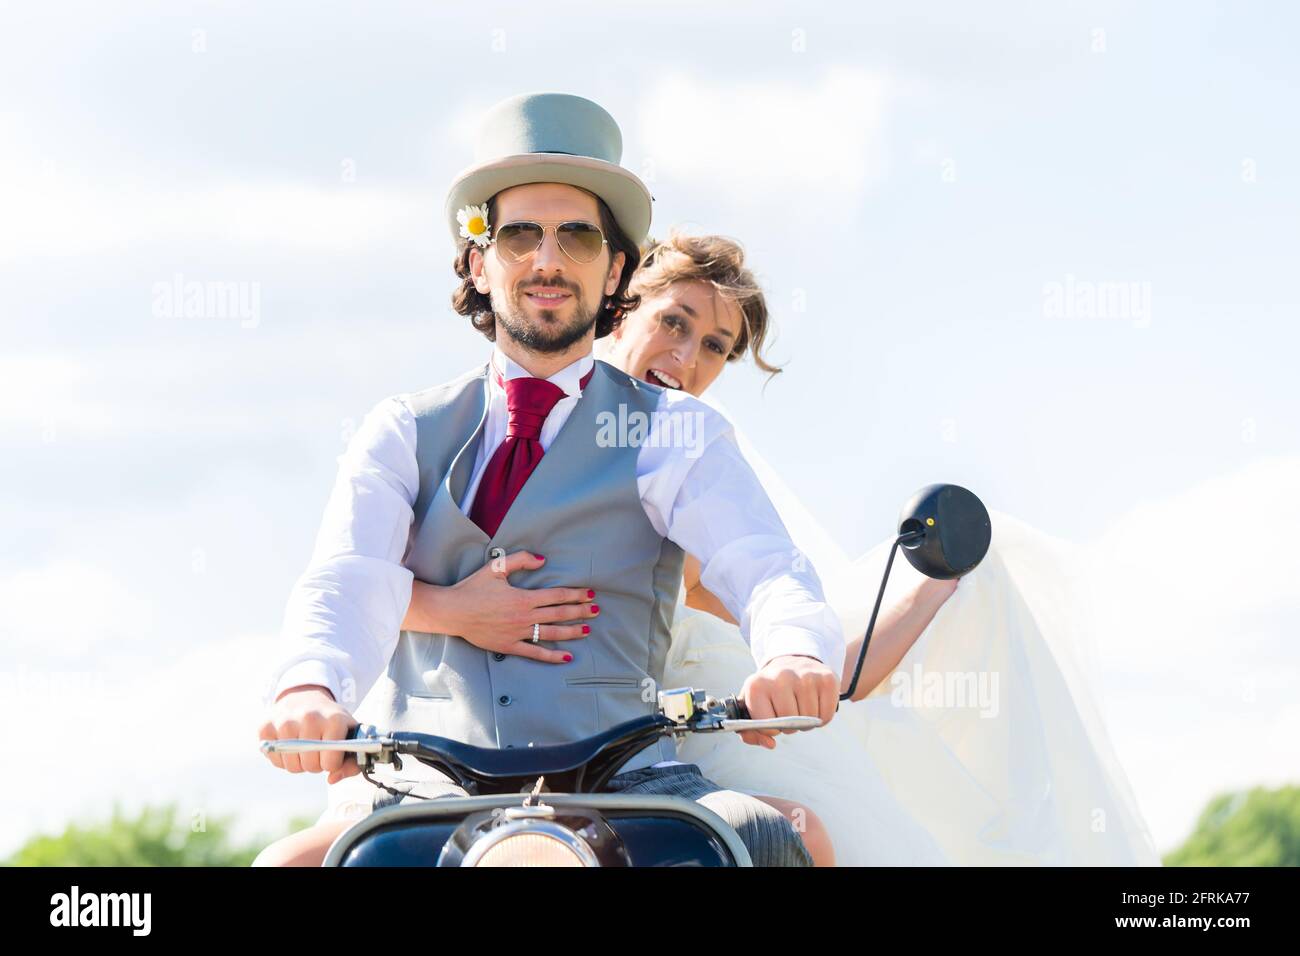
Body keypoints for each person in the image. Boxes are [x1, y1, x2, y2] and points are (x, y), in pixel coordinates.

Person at [394, 228, 1162, 866]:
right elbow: (361, 585)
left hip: (636, 763)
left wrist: (930, 585)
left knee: (796, 835)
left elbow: (808, 634)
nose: (688, 356)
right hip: (463, 755)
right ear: (620, 308)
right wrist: (456, 612)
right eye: (675, 322)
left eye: (716, 347)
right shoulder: (483, 421)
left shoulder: (694, 481)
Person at [253, 92, 845, 867]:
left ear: (617, 272)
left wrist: (796, 653)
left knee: (783, 838)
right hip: (427, 780)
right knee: (287, 867)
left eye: (578, 237)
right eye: (520, 234)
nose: (547, 260)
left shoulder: (676, 432)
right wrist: (306, 690)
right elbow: (343, 581)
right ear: (479, 260)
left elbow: (765, 566)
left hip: (624, 776)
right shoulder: (399, 429)